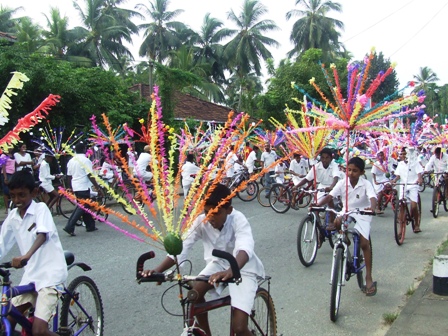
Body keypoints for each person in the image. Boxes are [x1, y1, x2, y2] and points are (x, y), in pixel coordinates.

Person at [141, 184, 264, 336]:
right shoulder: (201, 222)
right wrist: (158, 271)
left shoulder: (238, 219)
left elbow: (244, 248)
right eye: (207, 212)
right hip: (217, 266)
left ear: (229, 210)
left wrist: (232, 271)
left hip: (242, 269)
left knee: (239, 328)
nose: (210, 217)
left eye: (216, 212)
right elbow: (183, 247)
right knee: (194, 295)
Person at [0, 170, 67, 335]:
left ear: (34, 192)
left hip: (50, 276)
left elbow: (42, 235)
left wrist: (26, 256)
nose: (17, 200)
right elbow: (2, 243)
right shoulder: (13, 216)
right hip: (31, 276)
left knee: (39, 331)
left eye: (22, 195)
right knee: (6, 321)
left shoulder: (40, 209)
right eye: (13, 196)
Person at [314, 157, 377, 296]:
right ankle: (345, 240)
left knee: (364, 244)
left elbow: (373, 198)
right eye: (349, 170)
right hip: (347, 211)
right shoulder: (342, 183)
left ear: (361, 172)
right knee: (337, 222)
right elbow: (330, 196)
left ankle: (368, 277)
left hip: (362, 213)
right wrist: (318, 205)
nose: (351, 173)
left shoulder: (366, 184)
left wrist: (372, 208)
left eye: (355, 171)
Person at [63, 143, 103, 236]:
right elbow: (90, 174)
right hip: (83, 186)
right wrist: (97, 187)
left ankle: (90, 225)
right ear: (84, 149)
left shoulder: (71, 160)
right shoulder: (85, 160)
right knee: (82, 207)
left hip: (76, 185)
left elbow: (68, 176)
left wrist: (69, 187)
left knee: (86, 206)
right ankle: (69, 226)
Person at [392, 147, 423, 233]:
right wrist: (394, 180)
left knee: (413, 206)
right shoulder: (400, 164)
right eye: (401, 154)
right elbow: (398, 176)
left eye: (404, 154)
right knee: (401, 204)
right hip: (403, 186)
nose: (402, 156)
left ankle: (416, 224)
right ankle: (400, 229)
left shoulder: (414, 163)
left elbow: (419, 173)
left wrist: (419, 179)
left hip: (413, 185)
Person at [1, 148, 16, 213]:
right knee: (6, 191)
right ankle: (7, 208)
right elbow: (3, 167)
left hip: (12, 173)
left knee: (12, 190)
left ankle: (12, 205)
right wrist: (5, 177)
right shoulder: (3, 156)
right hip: (6, 174)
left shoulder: (13, 155)